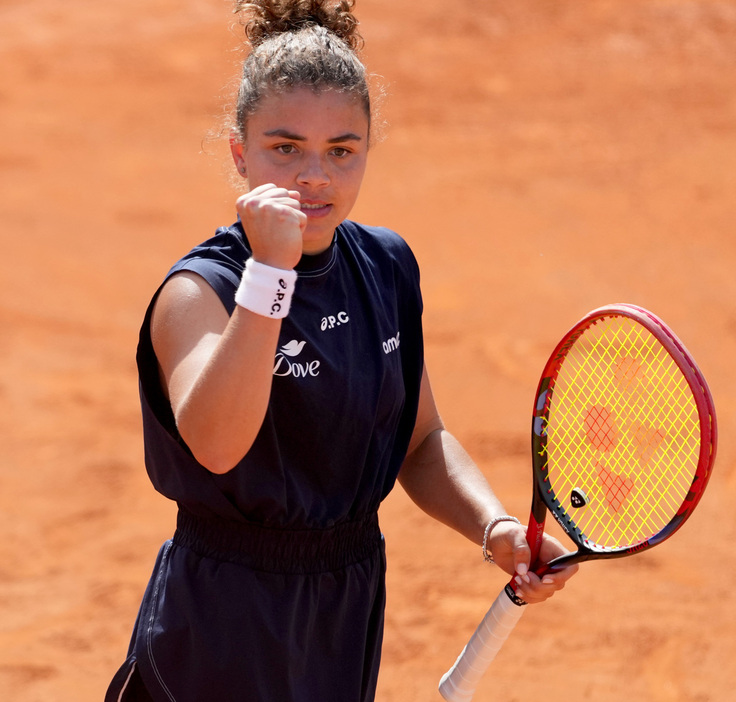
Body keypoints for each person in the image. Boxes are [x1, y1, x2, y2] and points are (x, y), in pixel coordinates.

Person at [104, 1, 579, 700]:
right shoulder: (198, 292)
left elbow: (420, 441)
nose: (314, 176)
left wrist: (494, 526)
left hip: (343, 615)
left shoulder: (385, 266)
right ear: (240, 153)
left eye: (341, 151)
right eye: (285, 148)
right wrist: (271, 273)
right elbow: (217, 446)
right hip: (222, 624)